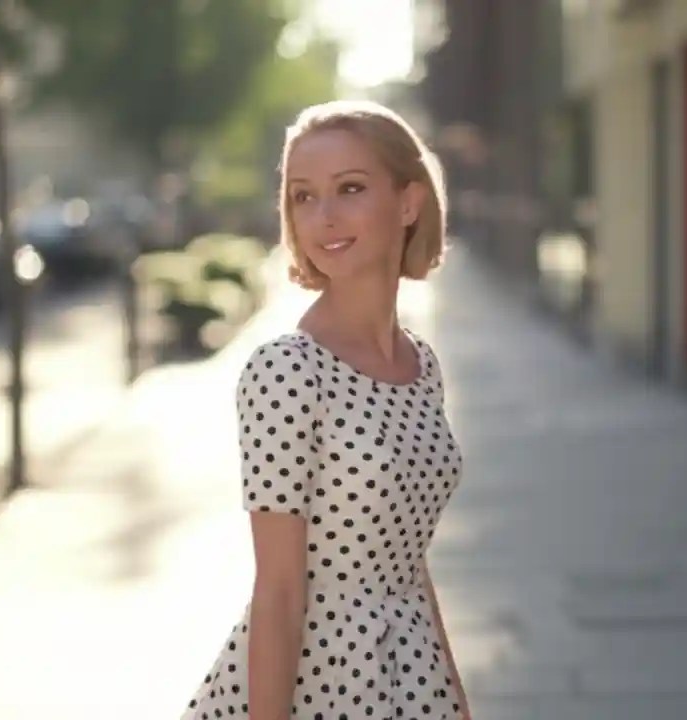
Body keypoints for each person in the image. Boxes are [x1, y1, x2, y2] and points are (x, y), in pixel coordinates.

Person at [181, 100, 471, 719]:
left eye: (351, 189)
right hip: (318, 685)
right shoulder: (286, 370)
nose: (324, 217)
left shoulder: (421, 367)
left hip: (410, 679)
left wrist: (456, 700)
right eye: (303, 197)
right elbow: (280, 593)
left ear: (409, 202)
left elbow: (411, 562)